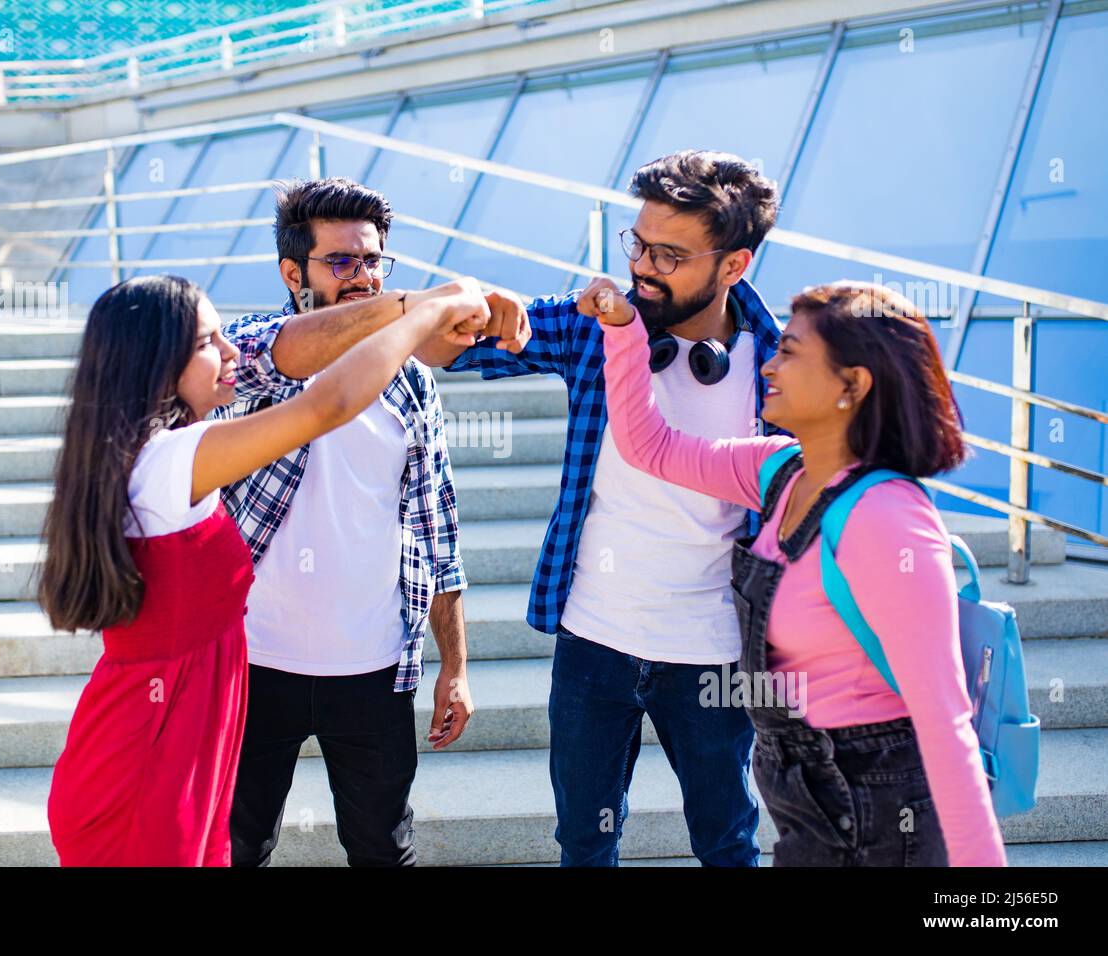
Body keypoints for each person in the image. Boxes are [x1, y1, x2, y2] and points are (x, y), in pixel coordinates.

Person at [39, 273, 487, 866]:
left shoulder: (155, 451)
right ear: (155, 361)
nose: (231, 353)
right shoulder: (169, 461)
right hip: (151, 757)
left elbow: (283, 355)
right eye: (207, 342)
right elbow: (327, 405)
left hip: (162, 738)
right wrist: (423, 317)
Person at [413, 150, 783, 866]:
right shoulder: (597, 327)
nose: (642, 266)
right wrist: (467, 303)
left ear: (733, 266)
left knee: (729, 844)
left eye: (668, 255)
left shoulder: (779, 365)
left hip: (715, 658)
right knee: (585, 844)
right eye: (637, 244)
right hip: (593, 644)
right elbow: (444, 350)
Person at [589, 277, 1007, 866]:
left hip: (883, 818)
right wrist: (625, 331)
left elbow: (945, 723)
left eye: (789, 351)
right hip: (809, 811)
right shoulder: (778, 471)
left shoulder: (889, 518)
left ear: (852, 385)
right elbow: (649, 447)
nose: (767, 366)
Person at [216, 177, 522, 866]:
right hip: (252, 663)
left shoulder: (413, 383)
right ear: (293, 274)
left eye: (375, 260)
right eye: (343, 262)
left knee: (384, 850)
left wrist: (456, 668)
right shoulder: (243, 361)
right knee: (235, 850)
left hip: (374, 667)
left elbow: (439, 534)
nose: (365, 277)